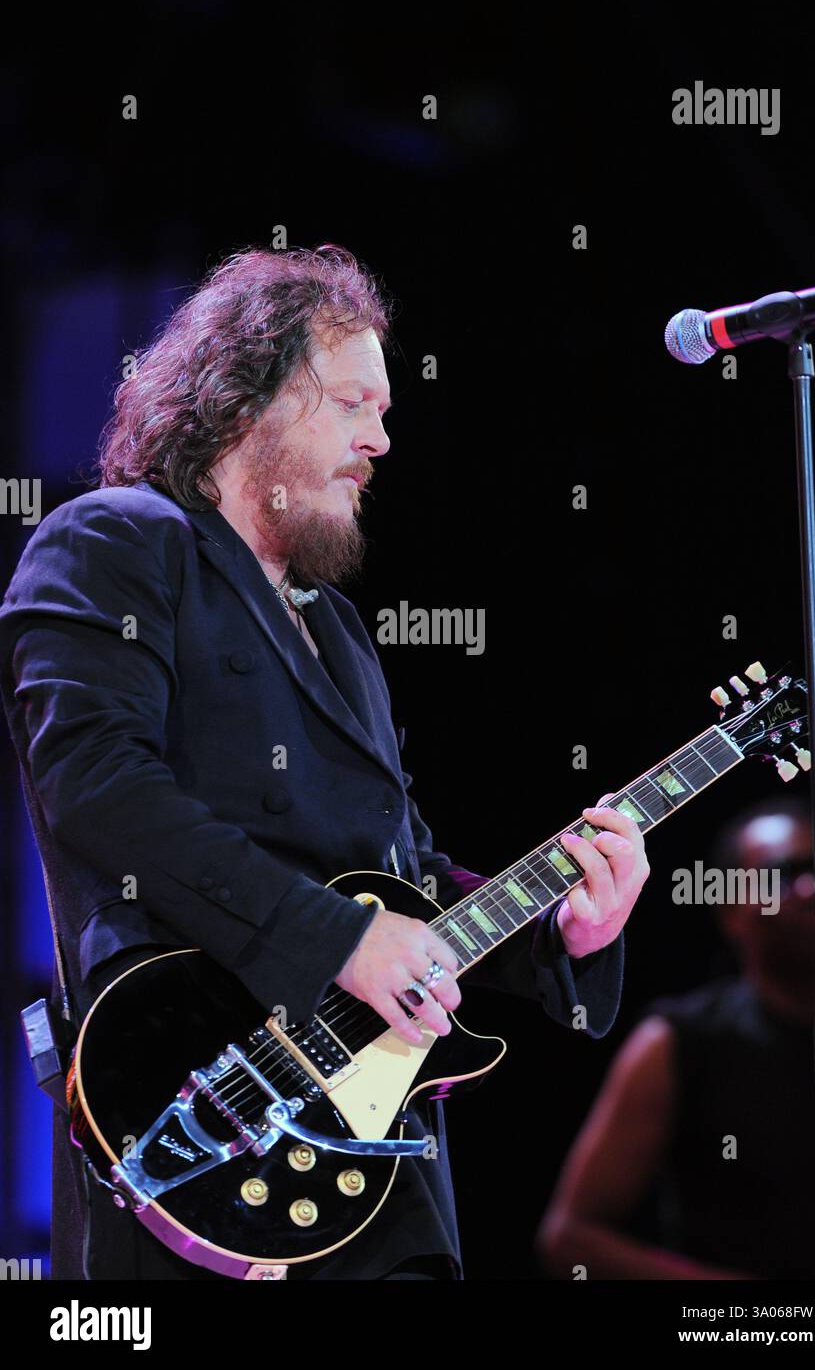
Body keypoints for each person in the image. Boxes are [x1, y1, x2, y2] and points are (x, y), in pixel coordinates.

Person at [0, 244, 649, 1281]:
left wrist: (561, 928)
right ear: (242, 400)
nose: (380, 439)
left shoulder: (335, 625)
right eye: (353, 403)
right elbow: (101, 789)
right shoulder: (115, 543)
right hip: (201, 1113)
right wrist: (339, 938)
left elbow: (402, 870)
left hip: (368, 1147)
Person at [535, 795, 815, 1280]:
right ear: (731, 911)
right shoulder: (677, 1040)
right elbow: (570, 1239)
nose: (814, 888)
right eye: (784, 873)